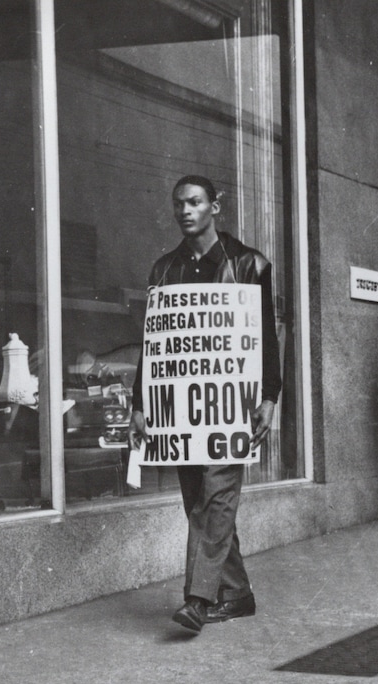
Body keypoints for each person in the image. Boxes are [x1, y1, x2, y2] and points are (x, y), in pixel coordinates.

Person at [129, 175, 281, 634]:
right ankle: (238, 594)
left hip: (232, 406)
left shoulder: (250, 264)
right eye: (178, 204)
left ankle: (197, 600)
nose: (185, 211)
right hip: (180, 409)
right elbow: (153, 345)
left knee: (215, 498)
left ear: (216, 206)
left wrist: (270, 398)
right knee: (199, 500)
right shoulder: (163, 270)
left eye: (194, 202)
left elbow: (269, 339)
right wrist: (140, 403)